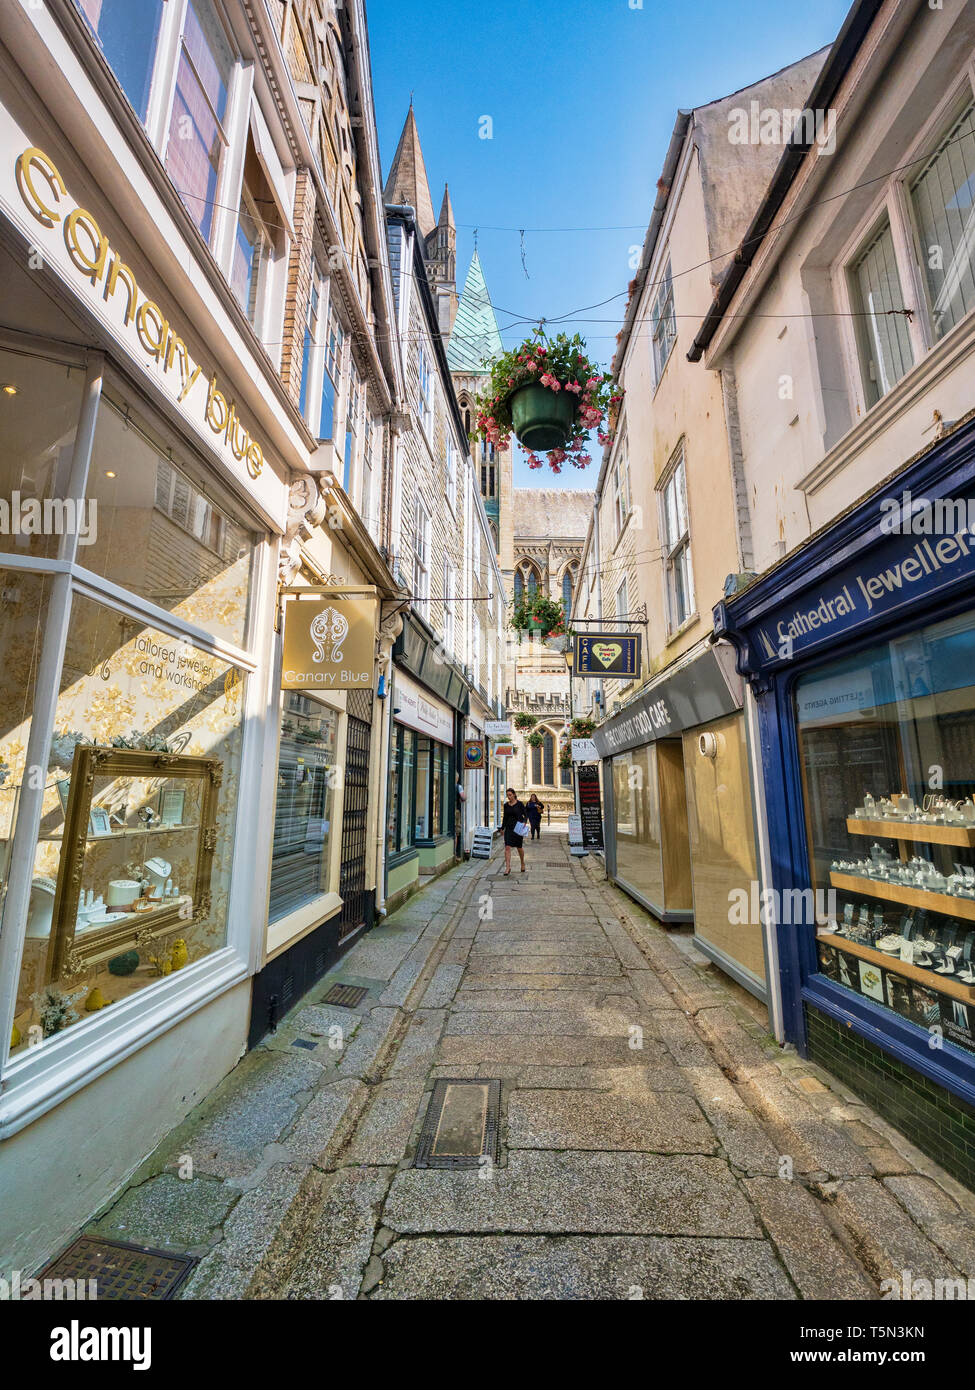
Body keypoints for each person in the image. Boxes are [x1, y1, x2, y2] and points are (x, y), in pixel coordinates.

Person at [501, 787, 528, 875]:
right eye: (507, 795)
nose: (509, 797)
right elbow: (505, 817)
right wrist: (502, 828)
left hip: (518, 828)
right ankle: (508, 867)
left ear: (514, 794)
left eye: (510, 795)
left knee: (519, 847)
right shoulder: (506, 805)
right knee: (507, 847)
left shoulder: (520, 804)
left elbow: (525, 814)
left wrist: (524, 822)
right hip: (509, 828)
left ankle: (522, 863)